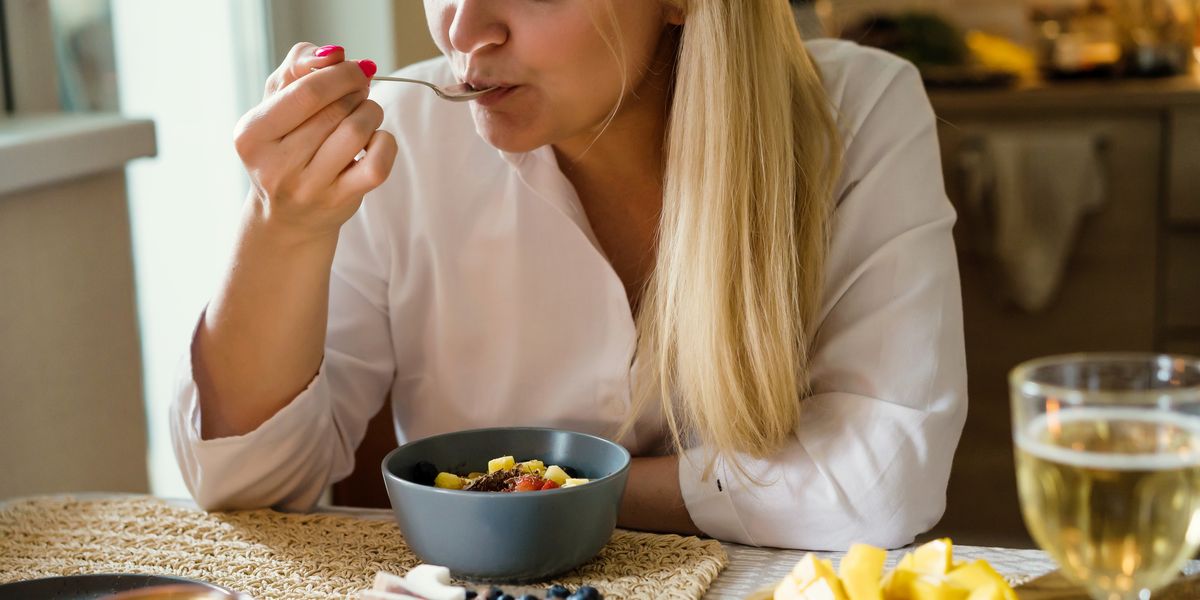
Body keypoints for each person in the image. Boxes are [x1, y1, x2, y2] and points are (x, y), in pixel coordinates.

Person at [171, 0, 967, 551]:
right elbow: (250, 489)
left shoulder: (858, 112)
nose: (463, 27)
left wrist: (538, 496)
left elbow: (883, 478)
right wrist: (283, 228)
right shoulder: (401, 145)